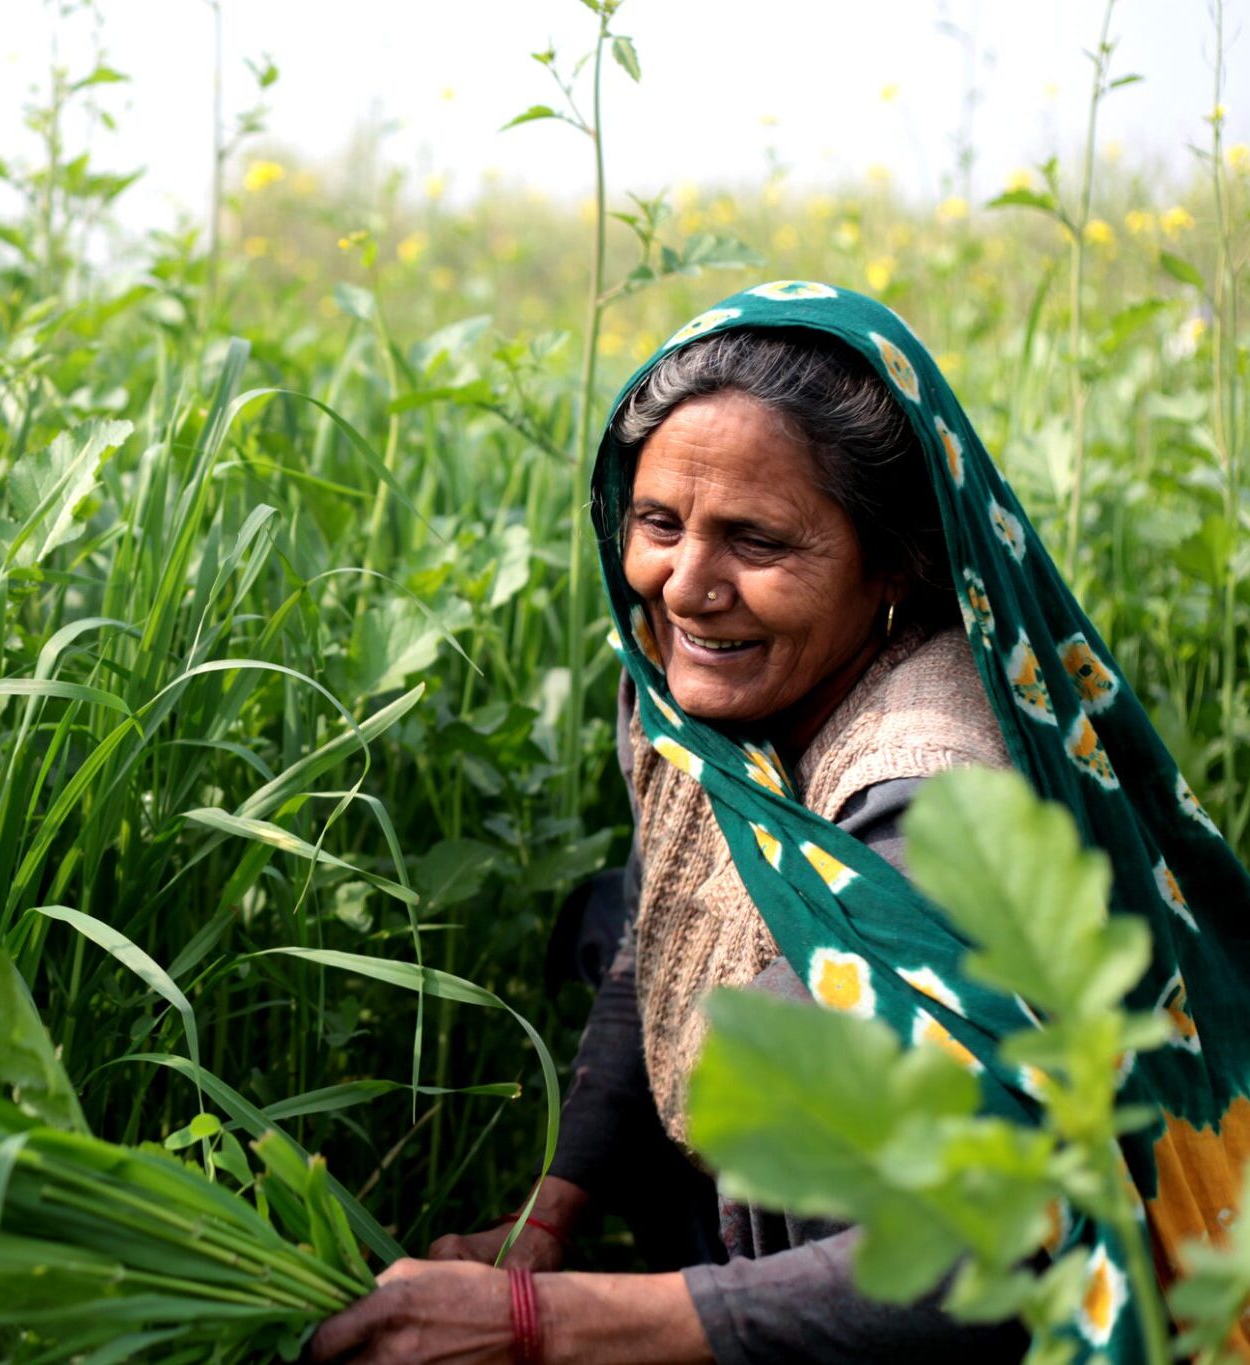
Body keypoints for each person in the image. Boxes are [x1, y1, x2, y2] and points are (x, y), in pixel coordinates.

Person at [307, 283, 1250, 1365]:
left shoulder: (930, 797)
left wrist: (543, 1328)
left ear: (892, 564)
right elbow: (657, 933)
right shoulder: (709, 689)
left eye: (755, 540)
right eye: (658, 524)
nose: (686, 587)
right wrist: (552, 1216)